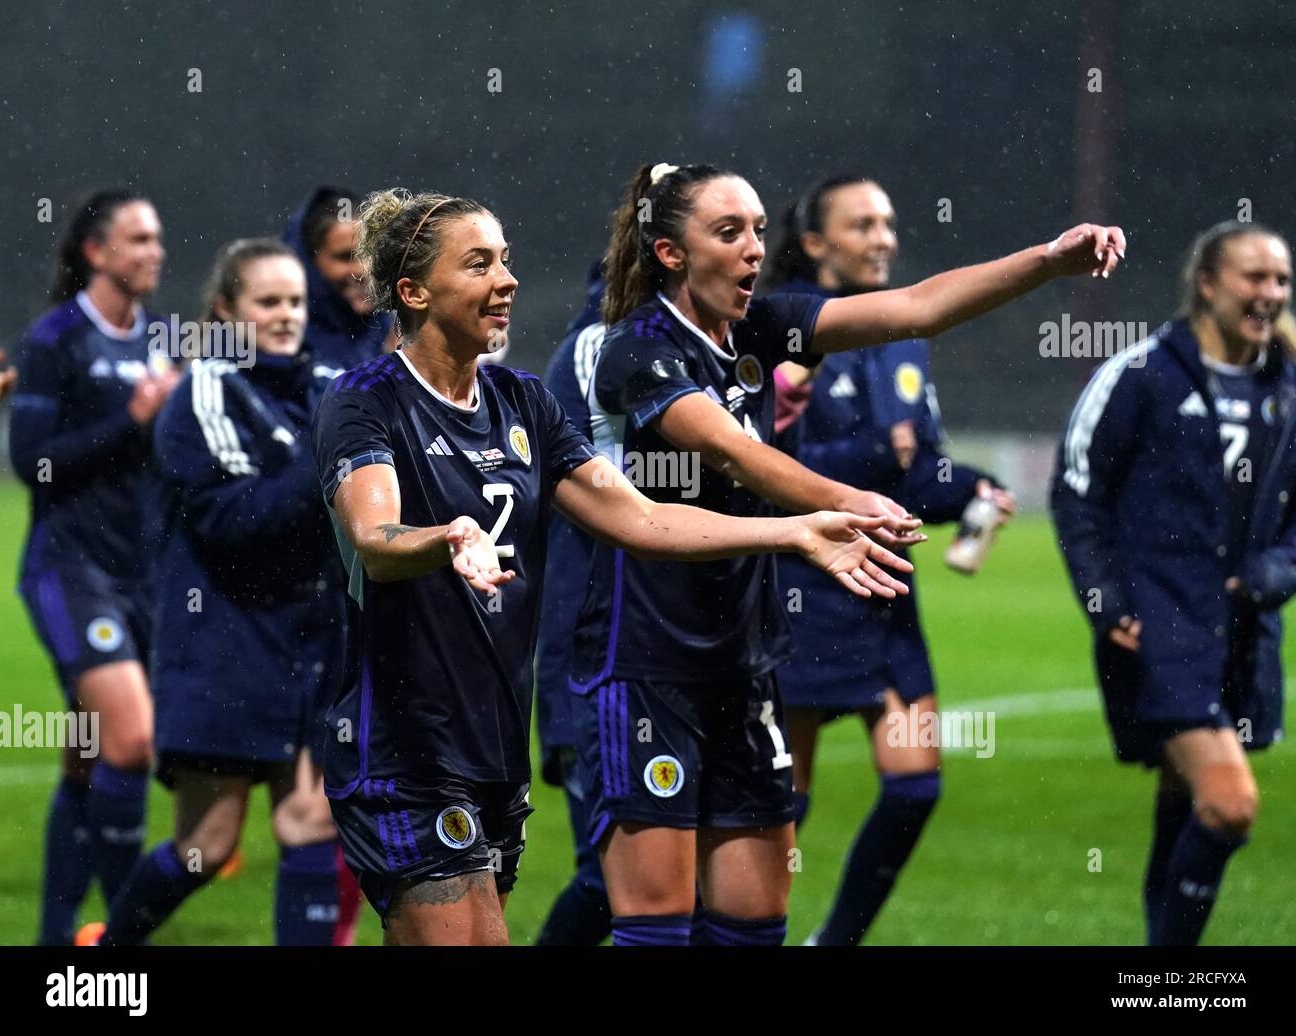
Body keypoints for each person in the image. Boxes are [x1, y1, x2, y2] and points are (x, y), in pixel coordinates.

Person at [310, 187, 913, 946]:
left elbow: (640, 516)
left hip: (493, 744)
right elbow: (375, 536)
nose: (507, 279)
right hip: (400, 744)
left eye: (506, 259)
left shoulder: (521, 401)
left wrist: (793, 532)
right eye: (479, 264)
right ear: (413, 291)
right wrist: (445, 539)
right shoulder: (365, 400)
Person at [570, 161, 1124, 947]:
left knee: (754, 923)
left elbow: (917, 308)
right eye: (728, 233)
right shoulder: (638, 348)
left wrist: (1047, 261)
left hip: (745, 659)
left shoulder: (760, 327)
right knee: (656, 927)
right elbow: (732, 451)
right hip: (646, 664)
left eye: (760, 230)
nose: (754, 249)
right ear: (669, 252)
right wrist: (845, 498)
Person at [763, 173, 1016, 946]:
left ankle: (833, 942)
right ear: (815, 243)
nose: (885, 238)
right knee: (780, 812)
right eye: (863, 224)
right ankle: (751, 935)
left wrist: (975, 486)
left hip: (884, 595)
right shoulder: (782, 329)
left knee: (915, 785)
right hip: (800, 587)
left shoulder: (904, 333)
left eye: (889, 222)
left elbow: (918, 466)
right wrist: (879, 453)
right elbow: (771, 465)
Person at [82, 239, 355, 946]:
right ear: (227, 311)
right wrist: (326, 463)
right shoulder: (203, 391)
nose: (287, 315)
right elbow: (234, 520)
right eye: (268, 302)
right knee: (207, 845)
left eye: (296, 301)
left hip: (309, 640)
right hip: (222, 643)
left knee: (312, 819)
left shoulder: (326, 384)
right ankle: (102, 959)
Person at [1052, 221, 1293, 946]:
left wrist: (1274, 573)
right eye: (1254, 277)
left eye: (1281, 280)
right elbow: (1078, 492)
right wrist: (1107, 600)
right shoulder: (1141, 375)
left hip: (1246, 631)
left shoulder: (1286, 391)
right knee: (1228, 806)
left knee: (1185, 804)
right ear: (1208, 284)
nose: (1270, 294)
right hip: (1160, 627)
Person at [9, 190, 175, 944]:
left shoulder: (156, 341)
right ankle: (124, 941)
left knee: (86, 759)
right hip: (70, 571)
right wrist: (131, 424)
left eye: (157, 239)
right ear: (96, 252)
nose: (155, 251)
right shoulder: (57, 339)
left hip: (139, 573)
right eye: (138, 239)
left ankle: (53, 938)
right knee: (132, 743)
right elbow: (31, 462)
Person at [533, 262, 613, 945]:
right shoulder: (594, 350)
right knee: (613, 881)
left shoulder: (724, 347)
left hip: (702, 663)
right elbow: (601, 520)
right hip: (597, 661)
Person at [284, 186, 395, 370]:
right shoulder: (277, 340)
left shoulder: (399, 332)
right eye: (346, 257)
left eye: (372, 253)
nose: (364, 270)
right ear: (308, 261)